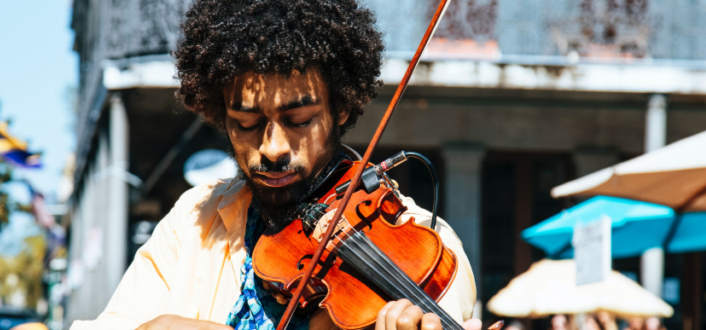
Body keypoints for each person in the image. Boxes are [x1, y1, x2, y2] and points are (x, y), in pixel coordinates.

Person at [68, 0, 480, 330]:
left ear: (340, 108)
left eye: (299, 120)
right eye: (246, 124)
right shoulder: (194, 219)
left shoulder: (427, 244)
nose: (273, 148)